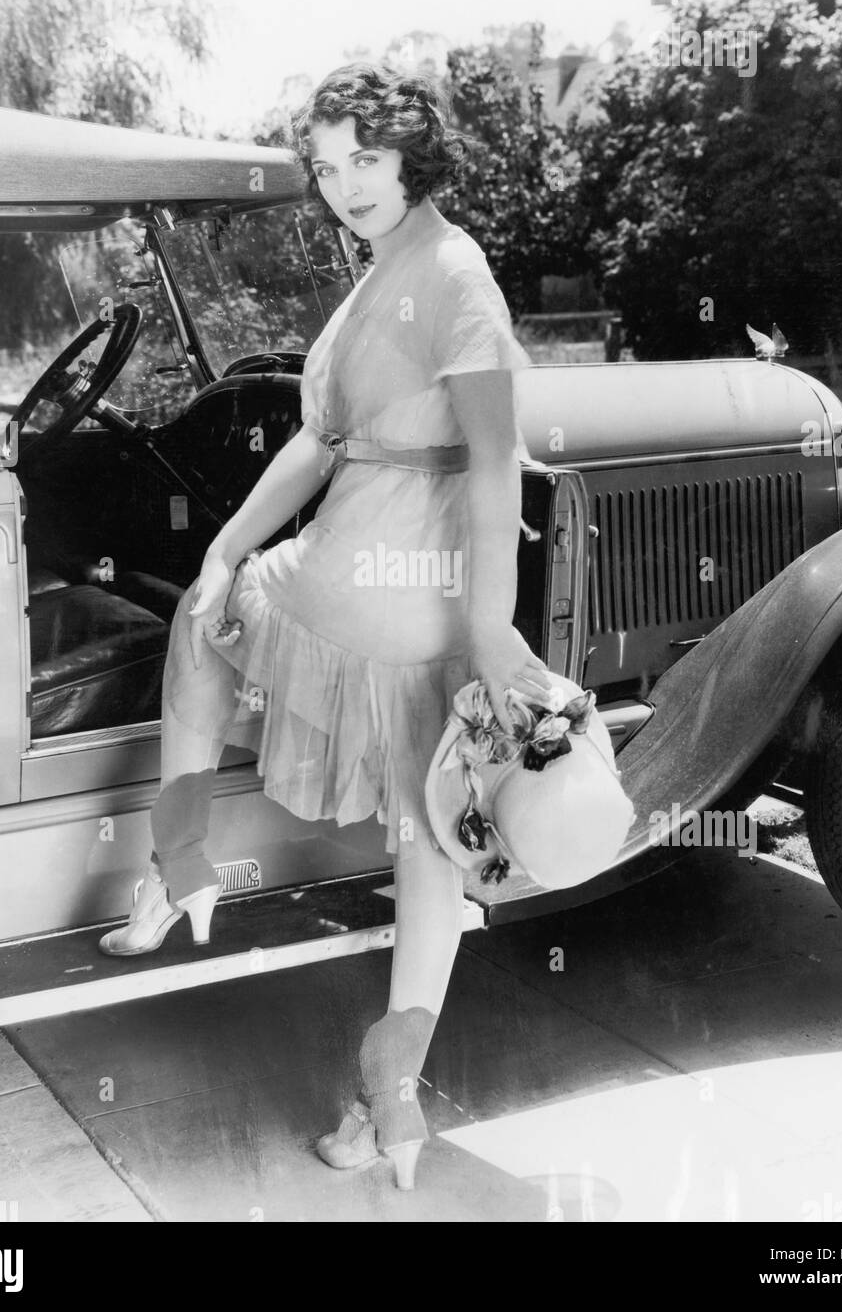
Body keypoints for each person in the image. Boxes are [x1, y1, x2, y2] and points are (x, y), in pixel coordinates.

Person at [99, 62, 552, 1190]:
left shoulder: (449, 275)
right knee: (432, 841)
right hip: (426, 599)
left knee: (200, 627)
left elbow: (490, 454)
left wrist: (224, 561)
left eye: (364, 158)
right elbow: (326, 440)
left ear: (410, 155)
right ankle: (387, 1109)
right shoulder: (409, 264)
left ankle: (180, 867)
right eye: (325, 164)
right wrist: (225, 543)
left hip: (367, 589)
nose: (342, 182)